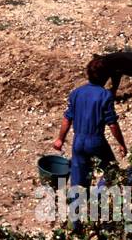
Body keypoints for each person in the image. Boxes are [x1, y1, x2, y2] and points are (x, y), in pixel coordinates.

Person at [53, 58, 127, 190]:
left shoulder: (76, 93)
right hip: (96, 141)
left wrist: (60, 139)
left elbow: (67, 119)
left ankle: (78, 202)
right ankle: (99, 196)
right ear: (106, 77)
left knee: (79, 181)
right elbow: (112, 124)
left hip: (78, 142)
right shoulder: (105, 95)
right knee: (110, 170)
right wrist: (121, 143)